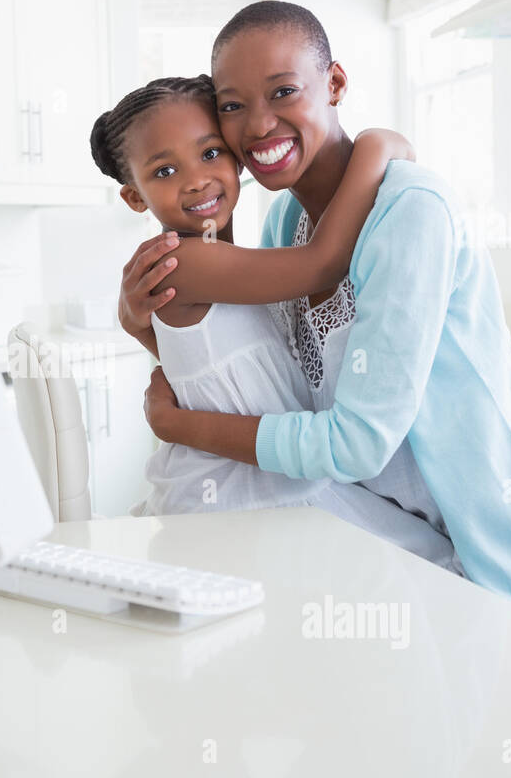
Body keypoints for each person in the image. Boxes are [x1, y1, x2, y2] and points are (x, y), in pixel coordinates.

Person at [120, 1, 511, 623]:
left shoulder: (411, 211)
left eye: (283, 91)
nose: (258, 126)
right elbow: (269, 368)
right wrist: (140, 324)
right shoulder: (290, 220)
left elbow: (357, 442)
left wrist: (179, 426)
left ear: (334, 84)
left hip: (501, 544)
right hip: (404, 540)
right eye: (233, 106)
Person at [89, 74, 460, 571]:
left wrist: (140, 332)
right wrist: (376, 147)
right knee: (434, 569)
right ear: (135, 197)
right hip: (241, 496)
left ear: (238, 158)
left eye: (209, 153)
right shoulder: (187, 262)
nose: (196, 179)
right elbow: (321, 262)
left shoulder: (232, 261)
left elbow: (217, 367)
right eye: (164, 171)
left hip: (267, 484)